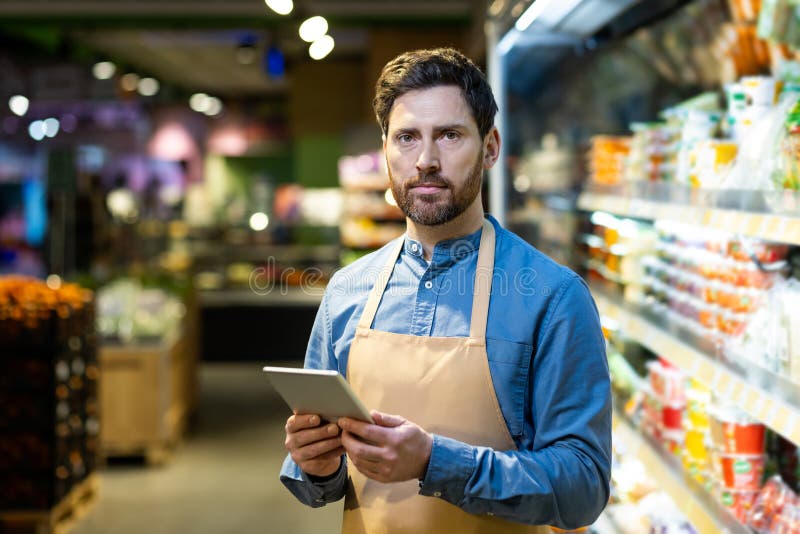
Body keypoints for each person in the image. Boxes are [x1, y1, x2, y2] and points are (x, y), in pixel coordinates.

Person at [280, 48, 611, 533]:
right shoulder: (347, 292)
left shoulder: (553, 297)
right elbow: (317, 484)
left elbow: (584, 487)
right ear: (386, 149)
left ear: (490, 146)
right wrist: (317, 464)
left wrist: (436, 462)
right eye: (407, 138)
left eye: (450, 135)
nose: (426, 161)